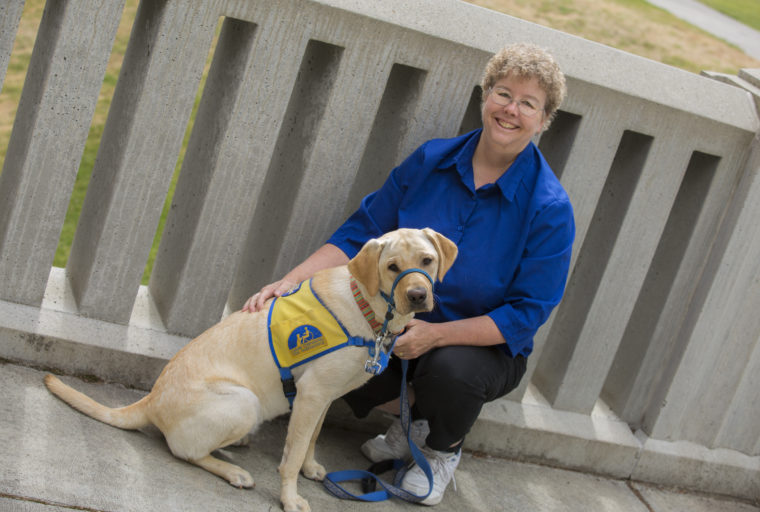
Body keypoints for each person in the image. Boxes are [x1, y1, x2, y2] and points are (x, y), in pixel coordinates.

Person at [243, 42, 575, 506]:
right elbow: (363, 234)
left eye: (528, 103)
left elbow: (527, 313)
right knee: (330, 351)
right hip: (393, 322)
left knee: (451, 373)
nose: (510, 110)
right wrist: (289, 283)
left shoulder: (550, 208)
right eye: (503, 93)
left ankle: (441, 449)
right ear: (485, 95)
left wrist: (438, 336)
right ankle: (413, 423)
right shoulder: (430, 161)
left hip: (476, 348)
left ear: (544, 120)